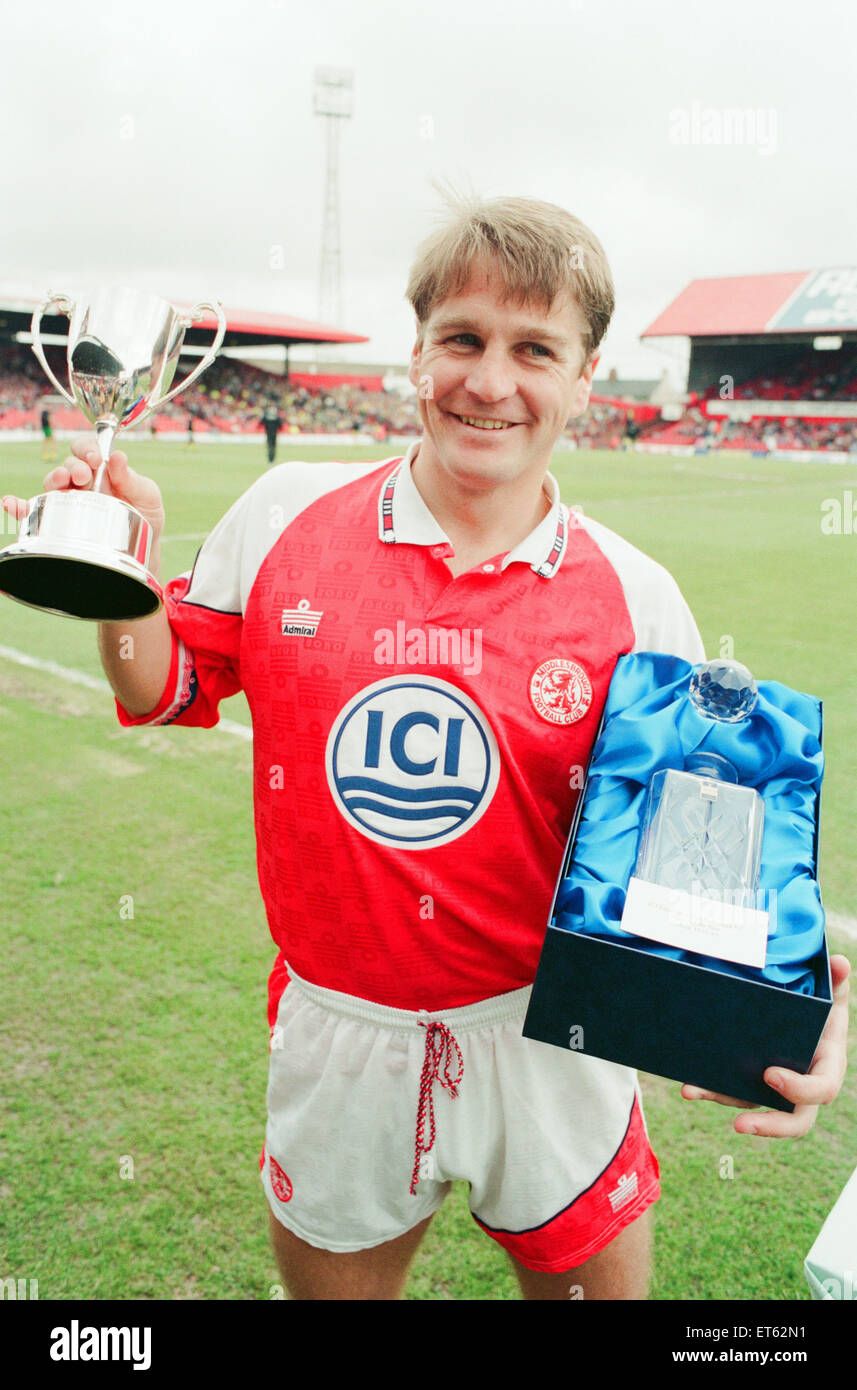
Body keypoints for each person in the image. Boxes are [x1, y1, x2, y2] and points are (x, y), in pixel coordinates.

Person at [2, 194, 850, 1301]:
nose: (488, 382)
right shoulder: (283, 516)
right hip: (340, 1032)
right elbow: (163, 690)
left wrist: (790, 995)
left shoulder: (638, 598)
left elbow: (705, 861)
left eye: (532, 349)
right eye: (461, 338)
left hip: (546, 1040)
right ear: (416, 354)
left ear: (586, 377)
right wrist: (120, 573)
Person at [261, 400, 282, 464]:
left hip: (268, 433)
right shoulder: (276, 414)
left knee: (270, 446)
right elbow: (280, 424)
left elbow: (262, 421)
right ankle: (272, 459)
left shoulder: (267, 414)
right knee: (273, 446)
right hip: (274, 433)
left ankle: (270, 460)